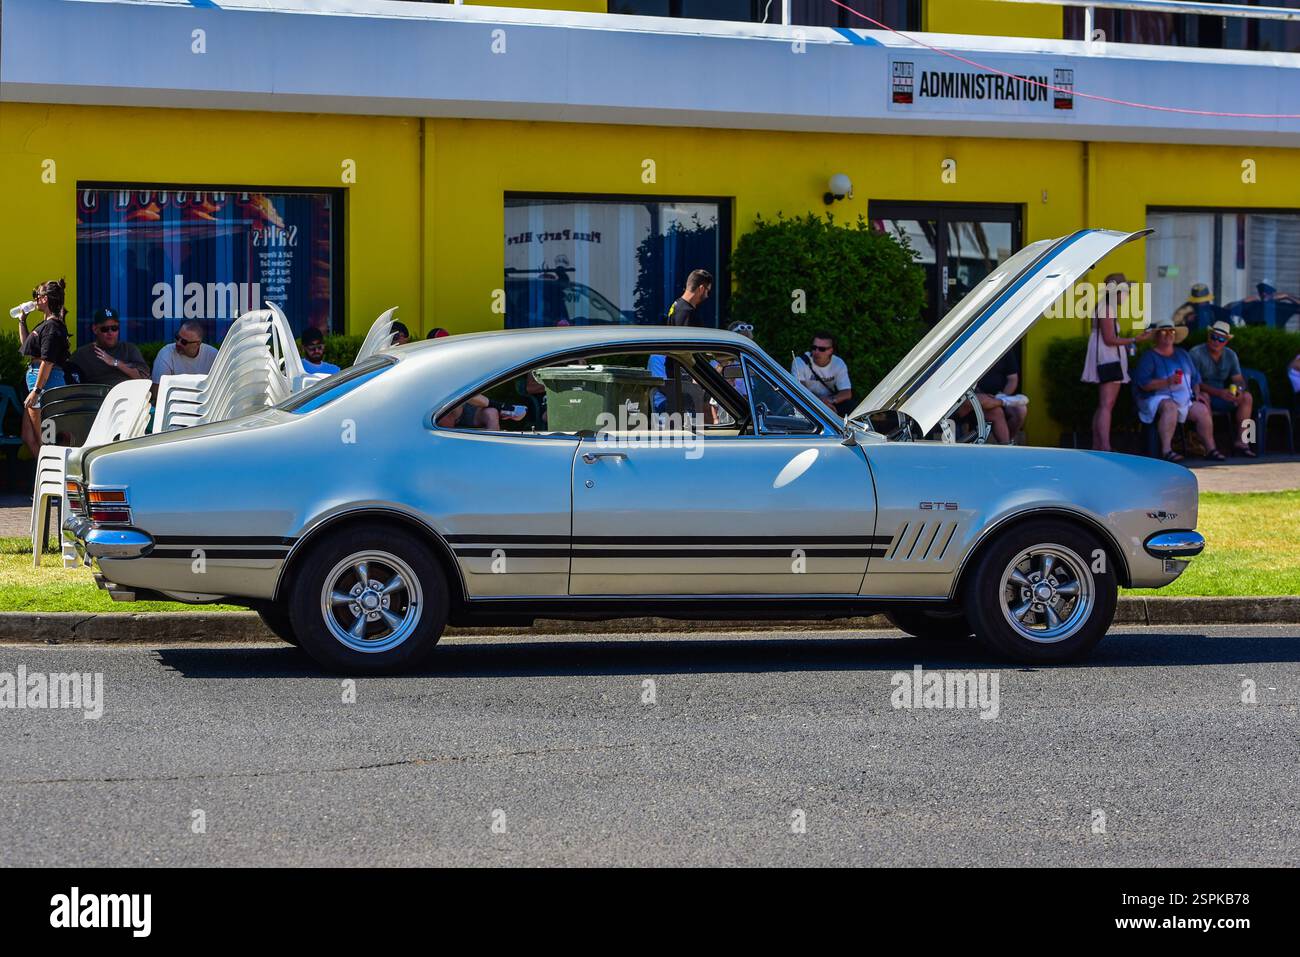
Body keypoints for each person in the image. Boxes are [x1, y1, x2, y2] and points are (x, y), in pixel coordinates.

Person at [1133, 315, 1222, 463]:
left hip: (1185, 399)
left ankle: (1211, 449)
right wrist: (1167, 381)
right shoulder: (1149, 357)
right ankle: (1167, 450)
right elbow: (1144, 384)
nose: (1168, 335)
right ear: (1156, 336)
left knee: (1202, 410)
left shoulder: (1183, 355)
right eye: (1164, 332)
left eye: (1172, 332)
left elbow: (1195, 379)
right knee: (1170, 407)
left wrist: (1197, 394)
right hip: (1156, 398)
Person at [1081, 273, 1151, 452]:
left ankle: (1098, 445)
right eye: (1125, 291)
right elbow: (1110, 339)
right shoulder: (1106, 309)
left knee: (1104, 404)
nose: (1127, 295)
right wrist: (1135, 340)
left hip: (1107, 358)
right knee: (1107, 404)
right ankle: (1104, 446)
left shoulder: (1105, 307)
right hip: (1108, 360)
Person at [16, 278, 72, 458]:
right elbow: (27, 347)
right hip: (38, 381)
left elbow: (47, 362)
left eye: (36, 295)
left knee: (46, 441)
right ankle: (43, 478)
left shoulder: (52, 327)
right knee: (28, 436)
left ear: (45, 299)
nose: (35, 299)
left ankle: (52, 481)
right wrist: (22, 321)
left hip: (45, 384)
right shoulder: (46, 324)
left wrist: (37, 391)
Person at [1189, 320, 1255, 457]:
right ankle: (1210, 448)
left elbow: (1238, 379)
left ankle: (1243, 442)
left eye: (1221, 339)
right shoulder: (1196, 353)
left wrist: (1239, 391)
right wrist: (1219, 393)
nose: (1216, 341)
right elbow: (1194, 382)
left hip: (1222, 396)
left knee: (1247, 397)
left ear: (1226, 341)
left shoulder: (1230, 355)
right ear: (1209, 336)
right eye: (1214, 337)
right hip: (1202, 394)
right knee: (1204, 397)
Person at [69, 307, 148, 386]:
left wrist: (116, 363)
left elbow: (144, 378)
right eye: (105, 329)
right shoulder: (82, 354)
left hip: (127, 395)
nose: (110, 333)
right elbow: (71, 384)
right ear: (95, 329)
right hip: (96, 396)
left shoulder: (129, 349)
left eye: (114, 328)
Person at [972, 348, 1028, 445]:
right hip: (977, 397)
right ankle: (1005, 444)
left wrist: (1002, 395)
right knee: (996, 410)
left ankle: (1008, 441)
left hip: (1001, 396)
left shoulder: (1005, 349)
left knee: (1021, 410)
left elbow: (1012, 379)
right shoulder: (975, 351)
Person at [792, 331, 852, 416]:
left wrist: (829, 401)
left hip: (829, 402)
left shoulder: (838, 363)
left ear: (831, 350)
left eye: (822, 349)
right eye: (814, 347)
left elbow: (846, 393)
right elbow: (800, 391)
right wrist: (820, 403)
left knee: (849, 406)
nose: (816, 352)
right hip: (807, 402)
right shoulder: (800, 362)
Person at [152, 320, 218, 390]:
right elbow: (157, 390)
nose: (178, 343)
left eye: (184, 342)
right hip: (175, 399)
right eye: (177, 338)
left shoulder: (213, 355)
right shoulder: (166, 353)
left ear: (198, 344)